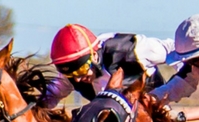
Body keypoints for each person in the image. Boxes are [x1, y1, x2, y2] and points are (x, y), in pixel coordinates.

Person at [41, 24, 174, 110]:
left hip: (154, 113)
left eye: (81, 71)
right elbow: (50, 96)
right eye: (71, 75)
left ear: (94, 55)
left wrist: (182, 83)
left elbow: (177, 49)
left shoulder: (130, 49)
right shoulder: (72, 75)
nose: (77, 80)